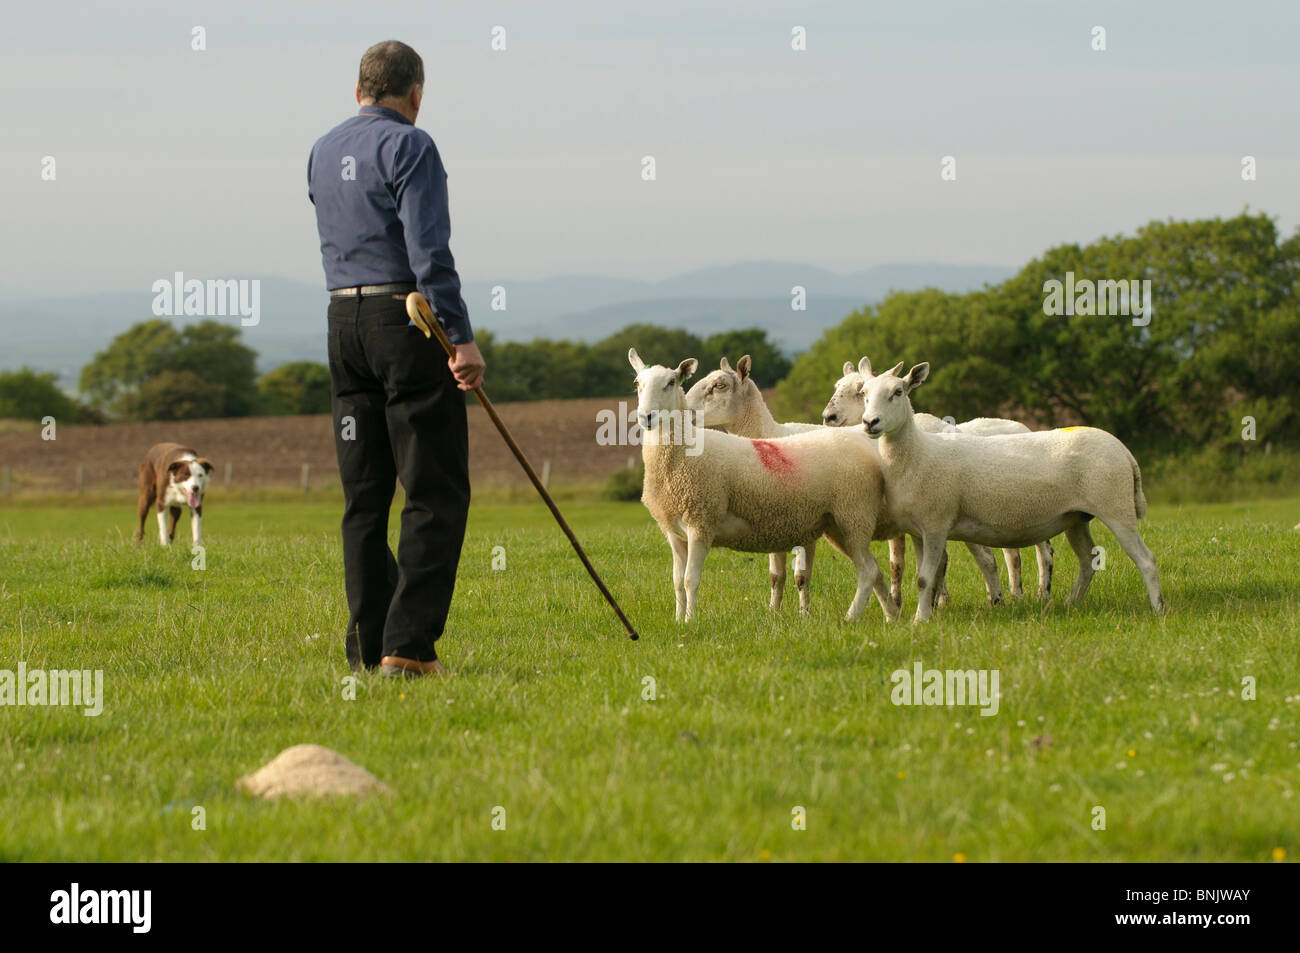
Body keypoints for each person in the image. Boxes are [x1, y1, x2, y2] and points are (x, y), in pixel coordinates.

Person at [308, 40, 484, 678]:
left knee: (363, 495)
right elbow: (428, 250)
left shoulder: (322, 150)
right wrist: (459, 339)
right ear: (416, 94)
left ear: (357, 91)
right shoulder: (413, 145)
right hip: (405, 321)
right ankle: (408, 649)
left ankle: (367, 646)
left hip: (341, 323)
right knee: (434, 486)